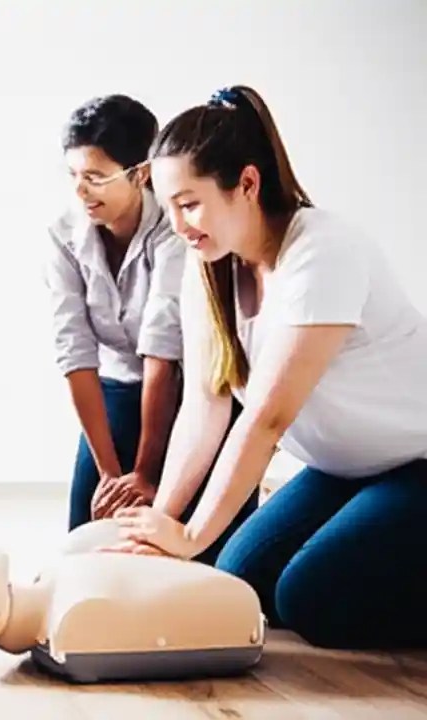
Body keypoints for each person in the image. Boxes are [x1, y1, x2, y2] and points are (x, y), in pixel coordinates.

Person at [109, 85, 427, 650]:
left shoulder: (323, 254)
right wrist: (160, 527)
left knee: (312, 598)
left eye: (189, 203)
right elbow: (205, 408)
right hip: (342, 470)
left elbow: (265, 419)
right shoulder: (208, 264)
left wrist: (191, 536)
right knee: (245, 582)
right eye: (169, 206)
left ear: (248, 184)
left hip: (415, 464)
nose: (177, 224)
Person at [46, 94, 257, 563]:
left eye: (96, 177)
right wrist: (109, 474)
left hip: (193, 390)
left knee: (221, 559)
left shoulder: (178, 227)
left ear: (140, 173)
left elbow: (161, 351)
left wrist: (144, 473)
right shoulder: (63, 234)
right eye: (73, 177)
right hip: (118, 390)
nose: (81, 192)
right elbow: (75, 354)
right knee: (88, 545)